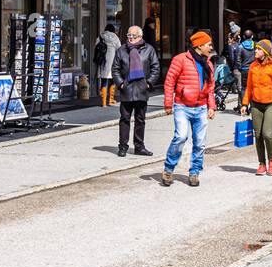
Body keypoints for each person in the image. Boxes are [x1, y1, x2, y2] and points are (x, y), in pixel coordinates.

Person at [160, 31, 216, 187]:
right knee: (180, 137)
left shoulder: (208, 63)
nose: (211, 47)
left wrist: (211, 106)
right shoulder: (180, 60)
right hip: (182, 106)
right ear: (199, 45)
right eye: (209, 44)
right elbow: (169, 81)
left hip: (201, 107)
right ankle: (168, 169)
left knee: (200, 143)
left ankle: (194, 172)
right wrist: (168, 103)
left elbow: (210, 87)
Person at [242, 39, 272, 176]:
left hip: (270, 104)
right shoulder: (253, 67)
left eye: (258, 49)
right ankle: (262, 164)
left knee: (267, 134)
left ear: (265, 52)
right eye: (255, 49)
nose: (255, 51)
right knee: (258, 135)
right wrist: (245, 104)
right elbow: (249, 87)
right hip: (256, 105)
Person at [111, 25, 159, 157]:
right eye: (129, 35)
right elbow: (115, 69)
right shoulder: (121, 50)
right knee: (124, 119)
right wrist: (120, 83)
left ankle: (139, 146)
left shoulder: (149, 50)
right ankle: (122, 146)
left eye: (134, 36)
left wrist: (148, 83)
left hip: (141, 90)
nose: (131, 38)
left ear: (140, 36)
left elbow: (155, 68)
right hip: (126, 90)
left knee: (140, 119)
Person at [93, 22, 121, 107]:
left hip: (102, 62)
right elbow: (119, 49)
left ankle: (104, 102)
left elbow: (96, 47)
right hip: (112, 62)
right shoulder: (115, 37)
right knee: (112, 81)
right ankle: (110, 100)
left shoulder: (101, 36)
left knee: (104, 81)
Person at [231, 30, 255, 110]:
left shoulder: (240, 46)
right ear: (252, 36)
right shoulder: (255, 45)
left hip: (244, 69)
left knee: (244, 88)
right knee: (252, 88)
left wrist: (241, 68)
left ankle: (244, 106)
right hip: (253, 69)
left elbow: (237, 60)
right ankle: (252, 107)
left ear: (244, 37)